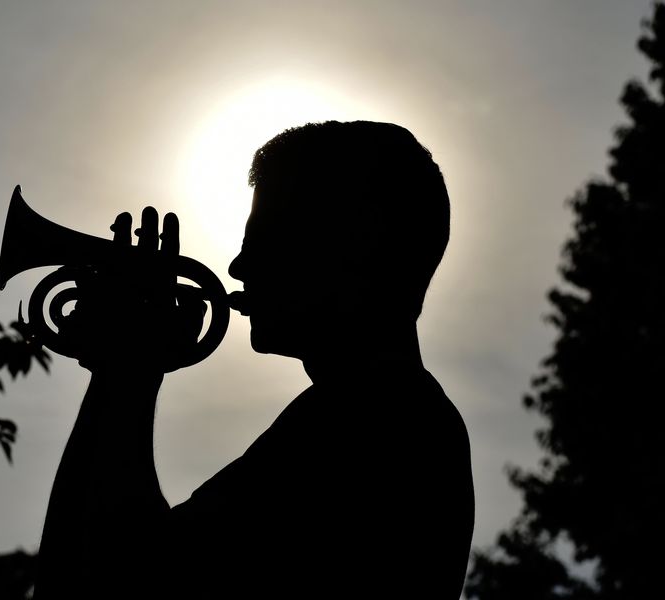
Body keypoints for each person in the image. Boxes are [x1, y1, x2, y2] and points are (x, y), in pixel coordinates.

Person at [33, 121, 474, 598]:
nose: (238, 267)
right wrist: (113, 374)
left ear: (353, 244)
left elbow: (125, 580)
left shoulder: (379, 417)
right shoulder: (379, 410)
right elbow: (65, 581)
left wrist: (129, 372)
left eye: (266, 239)